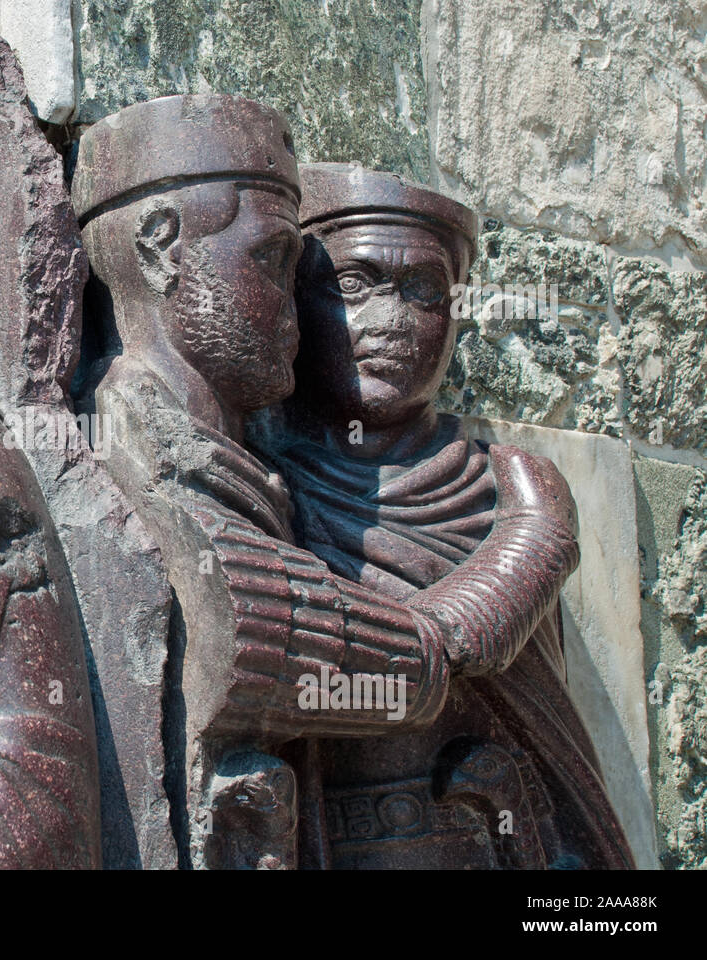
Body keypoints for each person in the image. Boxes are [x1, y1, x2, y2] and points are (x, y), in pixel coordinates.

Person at [73, 95, 586, 868]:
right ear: (160, 250)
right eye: (279, 263)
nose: (296, 314)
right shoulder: (135, 444)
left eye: (426, 292)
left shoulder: (235, 456)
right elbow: (252, 636)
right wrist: (494, 586)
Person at [266, 162, 632, 868]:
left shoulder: (514, 486)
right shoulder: (270, 484)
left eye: (424, 291)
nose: (392, 323)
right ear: (294, 302)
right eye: (352, 286)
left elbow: (471, 644)